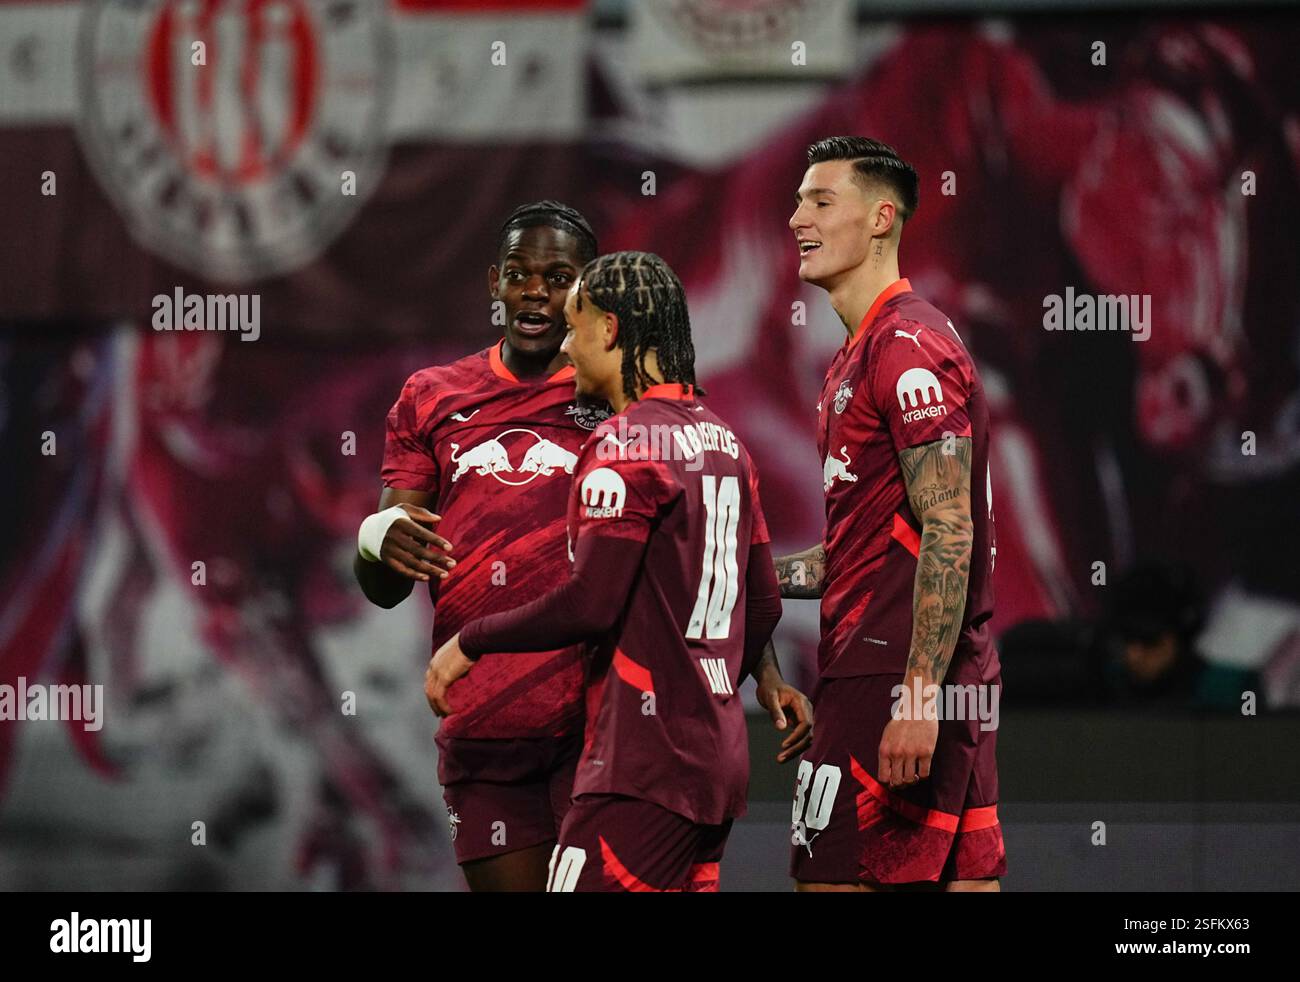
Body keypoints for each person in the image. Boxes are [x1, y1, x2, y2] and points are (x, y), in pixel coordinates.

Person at [425, 251, 813, 892]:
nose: (567, 349)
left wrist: (471, 641)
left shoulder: (625, 445)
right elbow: (763, 602)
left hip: (639, 764)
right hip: (717, 760)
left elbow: (590, 603)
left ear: (609, 329)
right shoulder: (725, 441)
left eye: (575, 328)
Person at [354, 201, 609, 891]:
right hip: (486, 720)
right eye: (521, 275)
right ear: (494, 283)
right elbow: (381, 584)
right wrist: (376, 540)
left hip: (604, 720)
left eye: (558, 276)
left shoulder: (620, 397)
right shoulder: (431, 397)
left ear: (590, 288)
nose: (536, 291)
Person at [776, 136, 1005, 891]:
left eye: (820, 201)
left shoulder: (908, 347)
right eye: (798, 201)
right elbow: (862, 549)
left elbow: (949, 530)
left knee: (828, 880)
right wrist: (747, 576)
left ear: (881, 218)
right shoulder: (852, 358)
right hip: (903, 666)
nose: (796, 218)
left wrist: (916, 694)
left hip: (896, 673)